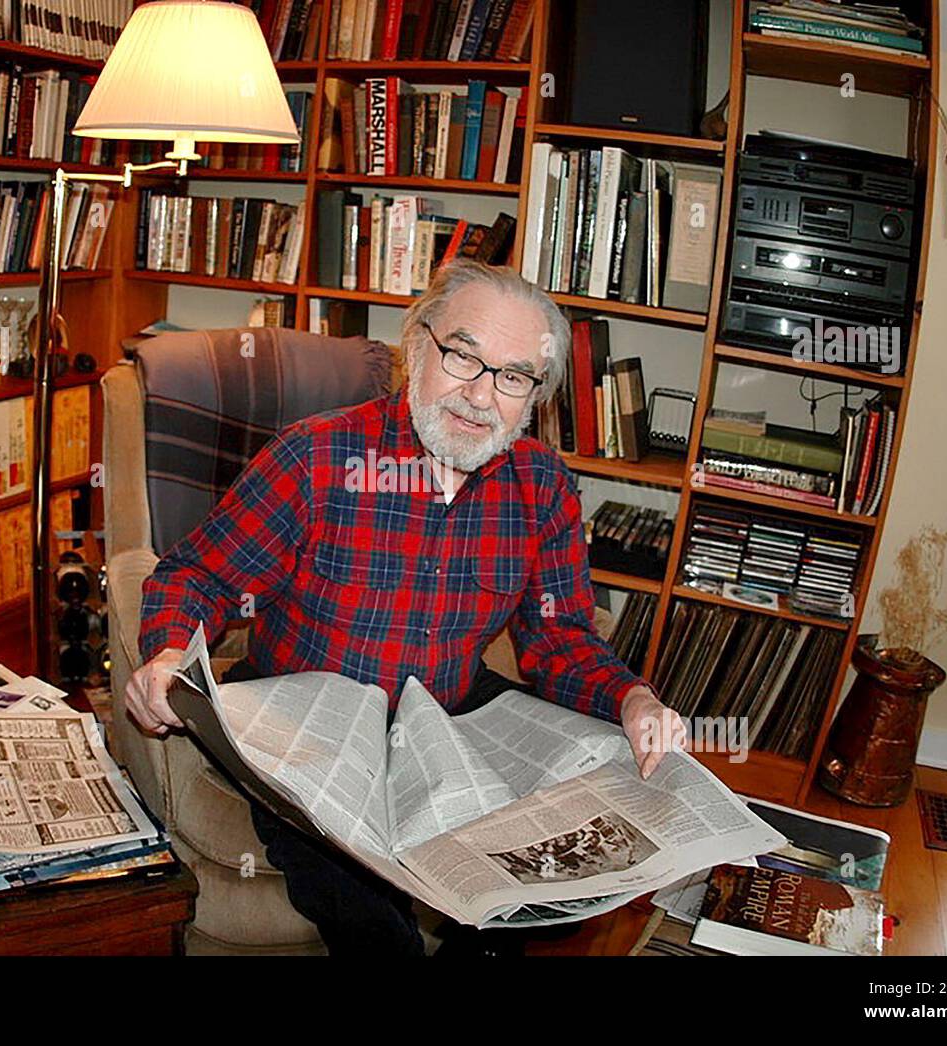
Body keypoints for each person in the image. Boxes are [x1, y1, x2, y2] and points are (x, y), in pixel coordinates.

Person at [126, 258, 685, 954]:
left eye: (512, 376)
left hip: (443, 716)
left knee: (553, 886)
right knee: (373, 927)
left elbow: (559, 636)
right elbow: (196, 578)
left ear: (533, 396)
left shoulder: (543, 488)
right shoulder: (317, 457)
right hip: (308, 732)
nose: (482, 395)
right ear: (418, 346)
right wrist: (170, 653)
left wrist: (633, 700)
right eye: (464, 357)